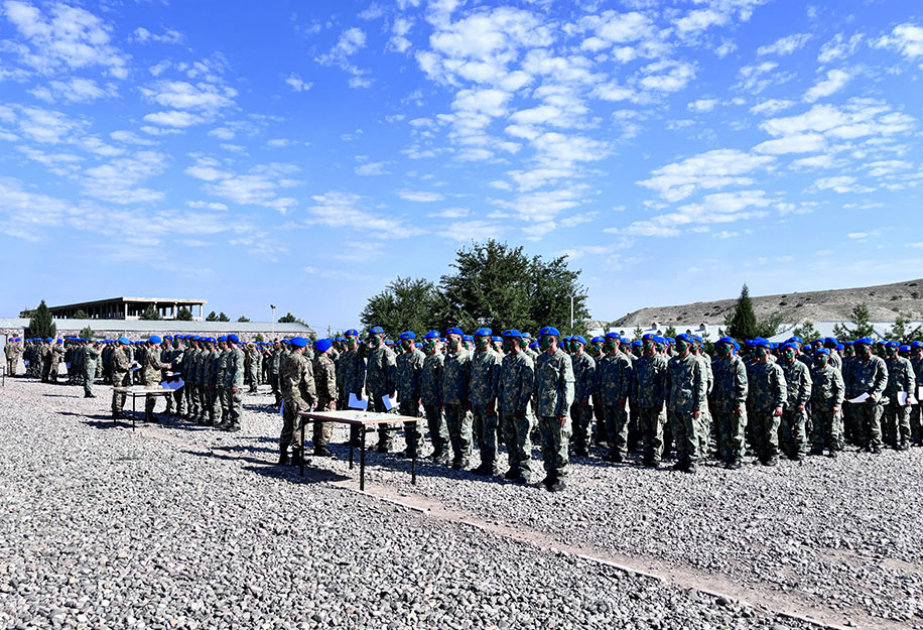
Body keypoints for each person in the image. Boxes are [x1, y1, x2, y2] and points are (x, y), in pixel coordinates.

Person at [533, 326, 574, 491]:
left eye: (542, 338)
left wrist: (564, 410)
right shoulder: (540, 358)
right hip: (543, 408)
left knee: (560, 444)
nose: (539, 342)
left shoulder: (563, 359)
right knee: (546, 444)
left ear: (551, 340)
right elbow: (538, 384)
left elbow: (567, 386)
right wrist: (536, 405)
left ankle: (560, 477)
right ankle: (549, 475)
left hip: (557, 409)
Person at [665, 334, 707, 473]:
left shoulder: (696, 362)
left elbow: (701, 385)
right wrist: (668, 402)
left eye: (680, 343)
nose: (677, 345)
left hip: (690, 405)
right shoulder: (672, 362)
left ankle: (692, 462)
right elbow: (668, 383)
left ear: (688, 345)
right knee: (679, 434)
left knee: (692, 434)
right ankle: (681, 460)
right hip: (675, 404)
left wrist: (698, 405)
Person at [710, 337, 749, 469]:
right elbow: (715, 385)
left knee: (737, 433)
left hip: (734, 405)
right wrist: (714, 401)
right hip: (721, 404)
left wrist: (739, 403)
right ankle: (726, 457)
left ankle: (738, 458)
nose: (721, 349)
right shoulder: (719, 364)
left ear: (732, 348)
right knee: (724, 433)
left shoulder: (738, 364)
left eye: (724, 346)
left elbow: (742, 386)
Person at [845, 337, 888, 454]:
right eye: (859, 347)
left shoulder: (878, 362)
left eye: (862, 347)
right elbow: (848, 378)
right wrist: (848, 393)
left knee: (874, 421)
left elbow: (883, 379)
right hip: (857, 397)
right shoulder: (854, 362)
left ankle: (876, 444)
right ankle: (864, 444)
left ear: (869, 348)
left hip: (872, 397)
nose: (860, 349)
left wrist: (876, 392)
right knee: (860, 421)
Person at [747, 338, 787, 466]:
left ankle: (773, 456)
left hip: (770, 407)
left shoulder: (775, 368)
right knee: (758, 432)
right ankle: (761, 456)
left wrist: (779, 405)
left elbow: (781, 388)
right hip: (756, 406)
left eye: (760, 350)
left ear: (768, 352)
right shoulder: (752, 368)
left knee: (771, 432)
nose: (757, 352)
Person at [632, 334, 668, 467]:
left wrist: (661, 402)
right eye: (643, 343)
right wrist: (634, 399)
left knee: (657, 432)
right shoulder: (640, 362)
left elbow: (665, 385)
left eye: (647, 343)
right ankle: (647, 456)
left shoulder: (661, 362)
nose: (644, 345)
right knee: (645, 430)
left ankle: (656, 457)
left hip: (656, 403)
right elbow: (635, 383)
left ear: (654, 344)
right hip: (643, 402)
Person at [469, 328, 501, 476]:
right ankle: (484, 462)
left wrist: (492, 402)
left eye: (480, 339)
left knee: (489, 434)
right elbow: (472, 378)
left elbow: (496, 383)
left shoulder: (494, 357)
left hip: (488, 402)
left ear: (488, 340)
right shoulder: (475, 355)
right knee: (480, 433)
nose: (477, 342)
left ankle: (492, 464)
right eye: (476, 339)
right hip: (476, 401)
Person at [279, 336, 316, 464]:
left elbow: (281, 380)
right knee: (300, 426)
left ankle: (283, 455)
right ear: (302, 347)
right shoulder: (303, 361)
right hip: (300, 398)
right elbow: (309, 382)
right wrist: (314, 398)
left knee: (287, 425)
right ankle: (296, 456)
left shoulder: (285, 360)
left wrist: (284, 394)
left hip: (287, 397)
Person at [597, 333, 632, 463]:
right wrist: (600, 395)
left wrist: (623, 397)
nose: (606, 343)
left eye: (610, 341)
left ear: (617, 343)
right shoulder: (604, 360)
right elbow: (600, 379)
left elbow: (626, 381)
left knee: (621, 427)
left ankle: (621, 452)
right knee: (610, 426)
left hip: (619, 400)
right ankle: (612, 450)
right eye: (606, 341)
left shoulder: (623, 360)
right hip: (607, 398)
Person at [365, 326, 397, 453]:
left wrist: (392, 389)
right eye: (371, 337)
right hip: (376, 390)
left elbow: (392, 372)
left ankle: (388, 442)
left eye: (374, 337)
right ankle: (382, 439)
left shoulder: (386, 352)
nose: (372, 340)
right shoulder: (372, 352)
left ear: (382, 337)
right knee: (379, 416)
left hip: (386, 391)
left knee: (388, 416)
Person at [778, 341, 812, 461]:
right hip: (784, 405)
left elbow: (807, 385)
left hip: (797, 405)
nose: (787, 353)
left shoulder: (802, 367)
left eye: (789, 351)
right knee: (785, 431)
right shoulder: (780, 366)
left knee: (799, 431)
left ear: (795, 352)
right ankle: (789, 452)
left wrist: (803, 402)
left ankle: (801, 453)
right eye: (785, 351)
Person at [809, 348, 845, 457]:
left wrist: (837, 404)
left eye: (822, 356)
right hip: (817, 405)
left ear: (828, 358)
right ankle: (818, 447)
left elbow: (840, 388)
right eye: (818, 357)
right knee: (817, 427)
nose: (820, 358)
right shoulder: (813, 372)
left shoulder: (834, 371)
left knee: (833, 428)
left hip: (830, 405)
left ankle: (832, 448)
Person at [395, 332, 425, 459]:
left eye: (405, 341)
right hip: (404, 396)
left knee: (416, 423)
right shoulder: (401, 358)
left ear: (411, 341)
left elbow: (422, 378)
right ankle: (409, 447)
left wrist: (420, 396)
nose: (402, 343)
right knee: (407, 423)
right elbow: (400, 377)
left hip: (414, 396)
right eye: (401, 341)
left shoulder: (419, 356)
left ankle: (417, 448)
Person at [420, 331, 449, 464]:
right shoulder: (427, 359)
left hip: (438, 399)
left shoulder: (440, 359)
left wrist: (442, 398)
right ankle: (436, 450)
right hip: (428, 398)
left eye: (429, 340)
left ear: (437, 342)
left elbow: (443, 381)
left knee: (441, 426)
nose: (426, 343)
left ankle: (445, 452)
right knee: (432, 426)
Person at [883, 340, 915, 450]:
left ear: (896, 350)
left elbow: (910, 380)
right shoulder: (885, 363)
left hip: (903, 396)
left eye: (890, 350)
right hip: (889, 396)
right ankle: (892, 441)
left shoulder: (905, 362)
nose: (888, 352)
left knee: (904, 421)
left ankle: (905, 441)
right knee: (890, 420)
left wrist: (910, 395)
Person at [569, 335, 597, 458]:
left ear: (581, 345)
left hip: (584, 398)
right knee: (575, 423)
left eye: (575, 343)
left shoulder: (588, 360)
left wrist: (586, 396)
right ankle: (576, 446)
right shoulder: (570, 359)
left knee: (585, 424)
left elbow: (591, 381)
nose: (572, 345)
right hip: (573, 397)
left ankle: (585, 447)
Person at [312, 338, 337, 457]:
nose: (332, 349)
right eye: (330, 347)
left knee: (318, 419)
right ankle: (322, 445)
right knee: (327, 421)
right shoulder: (327, 363)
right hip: (326, 396)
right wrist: (332, 398)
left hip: (317, 395)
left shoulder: (315, 361)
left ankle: (317, 443)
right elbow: (330, 382)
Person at [110, 337, 132, 419]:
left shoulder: (119, 351)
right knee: (119, 394)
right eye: (127, 345)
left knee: (118, 393)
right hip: (118, 376)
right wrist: (130, 365)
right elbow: (122, 365)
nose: (128, 346)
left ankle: (116, 411)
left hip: (120, 375)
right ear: (123, 344)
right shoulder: (118, 352)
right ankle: (118, 412)